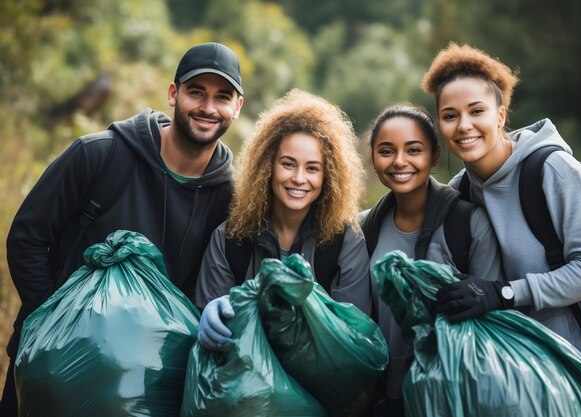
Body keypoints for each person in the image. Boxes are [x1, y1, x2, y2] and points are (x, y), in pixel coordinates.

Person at [1, 42, 245, 416]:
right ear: (173, 94)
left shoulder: (231, 199)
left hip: (148, 388)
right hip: (52, 369)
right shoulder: (99, 155)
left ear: (237, 107)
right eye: (197, 92)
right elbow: (27, 238)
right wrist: (57, 320)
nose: (208, 108)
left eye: (222, 97)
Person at [421, 42, 581, 414]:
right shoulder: (460, 195)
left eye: (476, 111)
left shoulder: (552, 170)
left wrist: (504, 294)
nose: (463, 125)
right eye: (450, 116)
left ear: (500, 115)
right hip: (534, 383)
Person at [195, 88, 371, 350]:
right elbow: (217, 335)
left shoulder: (345, 240)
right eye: (288, 164)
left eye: (313, 168)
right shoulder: (229, 238)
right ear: (268, 165)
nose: (299, 178)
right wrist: (210, 316)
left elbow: (352, 335)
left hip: (320, 384)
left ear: (329, 176)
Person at [360, 104, 505, 416]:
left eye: (414, 150)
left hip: (453, 396)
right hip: (384, 400)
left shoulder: (469, 224)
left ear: (435, 155)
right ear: (373, 157)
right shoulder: (362, 230)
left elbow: (492, 322)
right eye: (387, 151)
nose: (400, 161)